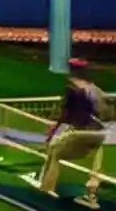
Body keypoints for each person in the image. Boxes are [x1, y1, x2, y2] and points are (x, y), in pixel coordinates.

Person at [33, 58, 109, 209]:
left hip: (81, 132)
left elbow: (66, 114)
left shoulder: (72, 88)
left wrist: (53, 131)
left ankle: (47, 188)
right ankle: (91, 195)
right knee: (96, 156)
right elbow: (103, 112)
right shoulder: (95, 89)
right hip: (100, 133)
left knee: (55, 153)